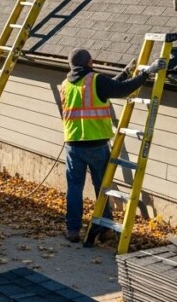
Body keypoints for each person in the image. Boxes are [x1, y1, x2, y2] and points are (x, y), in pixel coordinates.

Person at [60, 47, 167, 243]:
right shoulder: (96, 80)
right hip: (96, 144)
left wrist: (125, 73)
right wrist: (147, 72)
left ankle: (73, 230)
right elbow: (120, 90)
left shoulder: (66, 84)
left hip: (73, 144)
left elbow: (107, 88)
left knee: (74, 187)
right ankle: (105, 228)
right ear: (89, 63)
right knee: (103, 187)